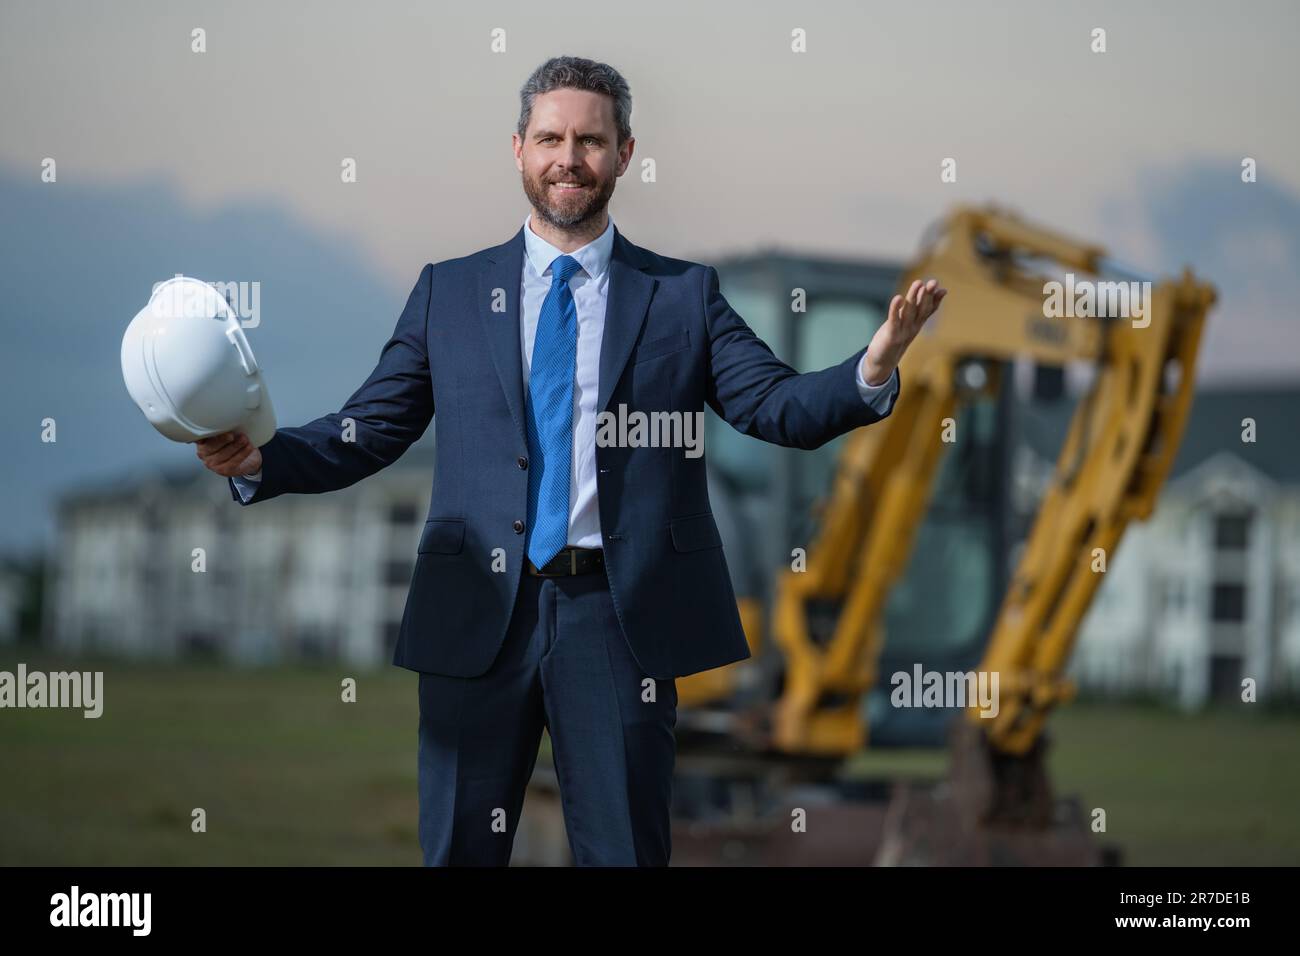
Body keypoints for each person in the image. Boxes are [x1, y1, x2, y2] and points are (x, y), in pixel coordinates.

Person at [196, 55, 946, 866]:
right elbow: (368, 429)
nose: (569, 158)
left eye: (590, 140)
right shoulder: (448, 292)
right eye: (550, 138)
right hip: (476, 612)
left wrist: (873, 366)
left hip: (619, 623)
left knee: (624, 852)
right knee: (455, 851)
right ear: (517, 148)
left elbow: (776, 406)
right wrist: (258, 461)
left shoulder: (681, 297)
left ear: (625, 154)